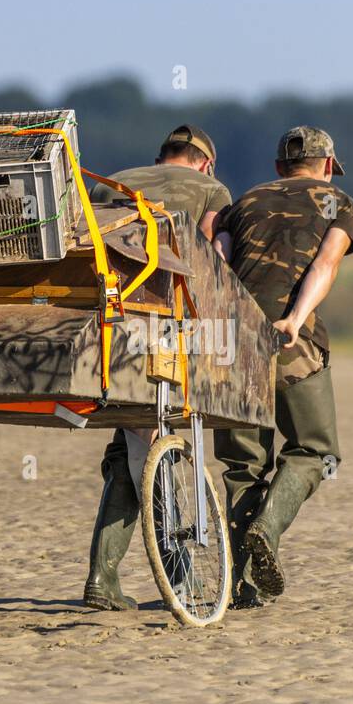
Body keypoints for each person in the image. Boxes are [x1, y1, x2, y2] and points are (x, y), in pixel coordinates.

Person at [83, 125, 233, 610]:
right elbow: (209, 259)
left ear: (161, 157)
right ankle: (183, 581)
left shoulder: (114, 180)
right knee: (151, 450)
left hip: (109, 327)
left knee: (133, 448)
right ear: (205, 163)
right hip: (163, 327)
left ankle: (103, 581)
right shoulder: (211, 190)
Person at [211, 126, 353, 608]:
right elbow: (325, 265)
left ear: (278, 167)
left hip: (232, 344)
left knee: (242, 465)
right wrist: (294, 319)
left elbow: (218, 268)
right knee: (316, 451)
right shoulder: (337, 202)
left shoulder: (244, 204)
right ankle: (267, 530)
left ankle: (239, 586)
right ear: (329, 165)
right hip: (291, 343)